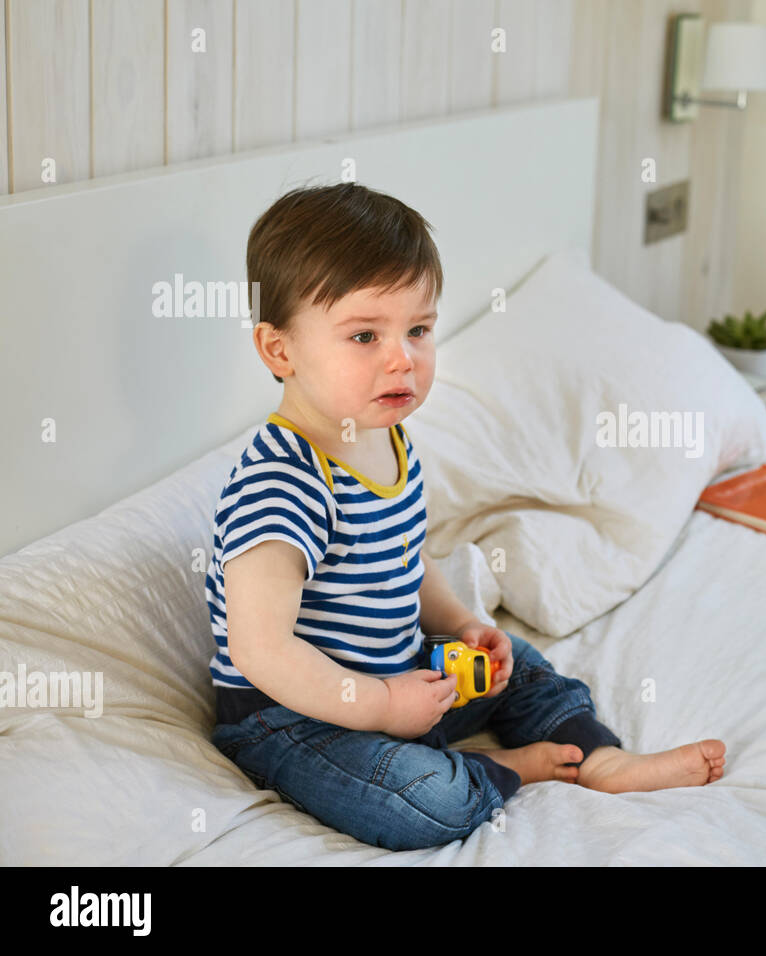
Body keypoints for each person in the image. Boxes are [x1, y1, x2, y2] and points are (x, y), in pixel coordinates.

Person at [206, 182, 725, 850]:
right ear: (280, 351)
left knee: (525, 665)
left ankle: (597, 756)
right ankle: (496, 769)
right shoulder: (282, 481)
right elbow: (260, 649)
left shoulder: (387, 440)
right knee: (425, 802)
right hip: (295, 717)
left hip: (394, 676)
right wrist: (382, 706)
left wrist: (461, 625)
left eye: (418, 330)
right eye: (365, 335)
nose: (403, 359)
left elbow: (406, 563)